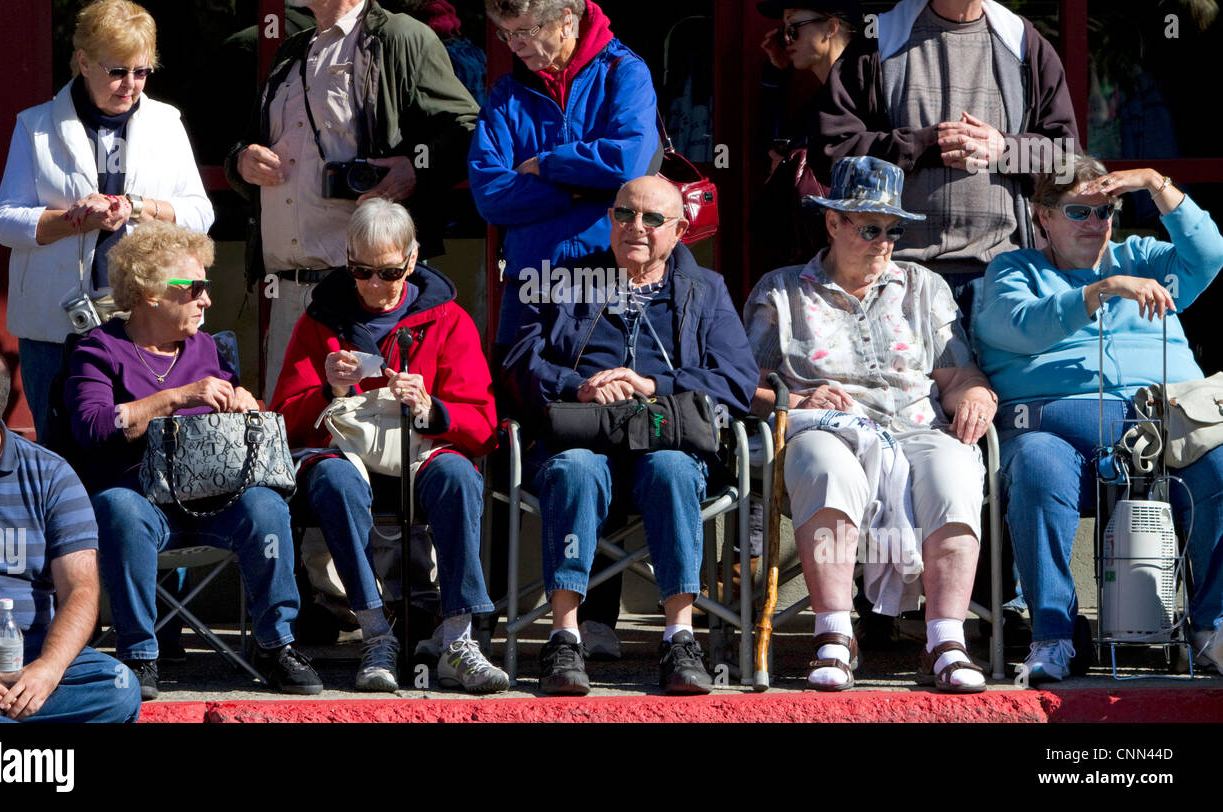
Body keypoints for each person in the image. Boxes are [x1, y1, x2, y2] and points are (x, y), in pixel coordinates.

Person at [743, 156, 996, 693]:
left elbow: (955, 374)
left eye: (894, 229)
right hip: (828, 426)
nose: (885, 240)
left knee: (953, 471)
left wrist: (974, 392)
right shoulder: (783, 291)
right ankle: (835, 635)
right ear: (833, 222)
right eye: (870, 227)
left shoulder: (924, 288)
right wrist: (798, 394)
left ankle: (946, 640)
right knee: (822, 463)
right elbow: (744, 384)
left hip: (916, 427)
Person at [506, 176, 759, 695]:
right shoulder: (562, 280)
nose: (635, 228)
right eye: (624, 215)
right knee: (575, 469)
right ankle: (564, 638)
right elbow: (515, 362)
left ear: (680, 231)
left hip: (667, 439)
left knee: (669, 470)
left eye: (652, 219)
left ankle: (679, 637)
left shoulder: (706, 290)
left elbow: (738, 379)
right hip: (581, 436)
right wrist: (577, 386)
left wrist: (653, 385)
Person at [975, 154, 1223, 681]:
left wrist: (1157, 185)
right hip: (1054, 431)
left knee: (1222, 463)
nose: (1095, 224)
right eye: (1078, 212)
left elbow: (1207, 257)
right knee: (1037, 464)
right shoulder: (1013, 270)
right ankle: (1053, 636)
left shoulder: (1146, 258)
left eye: (1104, 211)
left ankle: (1211, 629)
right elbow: (1020, 327)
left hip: (1162, 431)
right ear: (1042, 215)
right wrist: (1102, 290)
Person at [225, 0, 479, 400]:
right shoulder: (292, 52)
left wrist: (413, 167)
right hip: (290, 288)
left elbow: (465, 128)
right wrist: (242, 160)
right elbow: (249, 143)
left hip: (363, 292)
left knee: (366, 442)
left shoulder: (401, 38)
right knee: (294, 435)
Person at [65, 222, 321, 701]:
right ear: (149, 292)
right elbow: (93, 428)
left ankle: (276, 644)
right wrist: (176, 397)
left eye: (207, 286)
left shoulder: (208, 349)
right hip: (142, 503)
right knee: (119, 509)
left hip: (213, 499)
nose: (206, 299)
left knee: (265, 505)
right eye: (194, 288)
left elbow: (226, 421)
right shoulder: (98, 350)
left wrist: (245, 400)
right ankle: (139, 653)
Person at [272, 200, 507, 693]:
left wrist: (431, 407)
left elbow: (483, 428)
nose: (375, 286)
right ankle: (375, 633)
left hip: (421, 449)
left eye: (389, 272)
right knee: (332, 478)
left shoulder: (448, 320)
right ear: (347, 260)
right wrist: (326, 392)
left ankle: (458, 641)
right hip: (347, 451)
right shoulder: (320, 320)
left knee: (459, 476)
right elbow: (284, 425)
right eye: (361, 271)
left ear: (414, 258)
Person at [811, 0, 1080, 314]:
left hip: (1002, 271)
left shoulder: (1026, 47)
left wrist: (1002, 150)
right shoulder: (879, 42)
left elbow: (1067, 161)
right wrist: (920, 145)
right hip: (894, 270)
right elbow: (831, 152)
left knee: (988, 381)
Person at [0, 0, 214, 442]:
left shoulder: (167, 122)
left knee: (137, 447)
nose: (131, 84)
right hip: (55, 323)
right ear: (83, 62)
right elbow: (4, 221)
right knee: (59, 447)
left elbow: (200, 213)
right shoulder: (34, 126)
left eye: (142, 71)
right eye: (117, 71)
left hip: (143, 321)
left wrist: (139, 207)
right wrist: (75, 219)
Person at [0, 340, 141, 722]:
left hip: (30, 650)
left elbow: (81, 590)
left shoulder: (51, 475)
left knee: (118, 687)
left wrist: (47, 671)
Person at [468, 0, 660, 354]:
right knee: (518, 399)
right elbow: (489, 194)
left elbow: (626, 161)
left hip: (609, 273)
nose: (514, 45)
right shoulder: (506, 93)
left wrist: (545, 165)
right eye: (506, 34)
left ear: (567, 20)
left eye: (525, 30)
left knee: (605, 395)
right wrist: (575, 191)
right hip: (531, 279)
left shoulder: (624, 72)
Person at [753, 0, 864, 279]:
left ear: (830, 28)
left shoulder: (868, 90)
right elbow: (770, 151)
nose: (786, 39)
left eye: (793, 28)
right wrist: (775, 77)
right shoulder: (819, 98)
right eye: (783, 31)